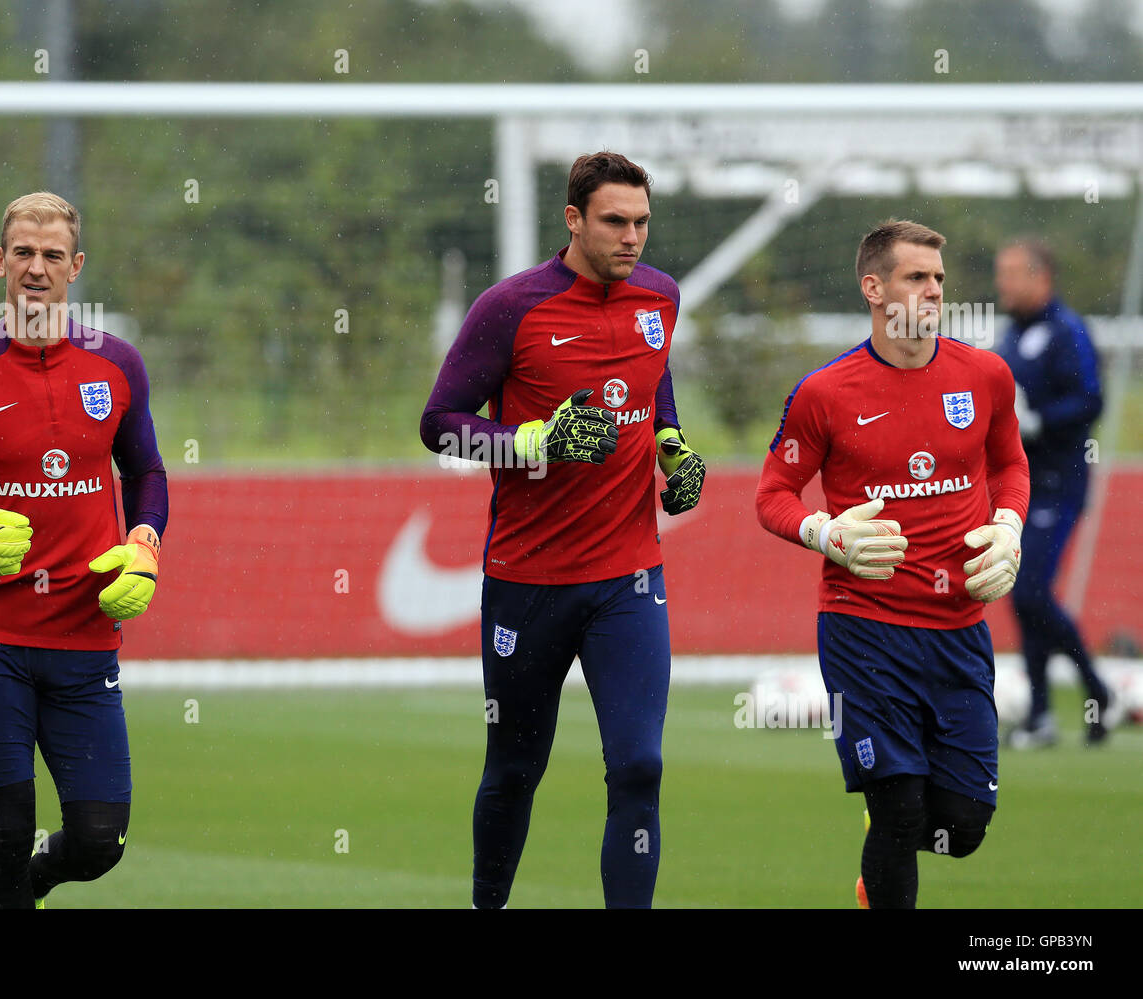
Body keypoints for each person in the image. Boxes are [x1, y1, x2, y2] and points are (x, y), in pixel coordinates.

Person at [419, 151, 705, 909]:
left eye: (642, 221)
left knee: (640, 764)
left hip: (629, 578)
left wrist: (673, 450)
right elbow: (440, 427)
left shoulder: (661, 298)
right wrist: (531, 441)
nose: (632, 237)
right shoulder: (511, 307)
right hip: (527, 582)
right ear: (573, 219)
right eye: (615, 221)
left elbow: (653, 384)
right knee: (514, 767)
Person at [0, 192, 168, 908]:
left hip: (84, 633)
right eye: (22, 253)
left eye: (51, 256)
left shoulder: (118, 367)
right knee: (7, 828)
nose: (36, 269)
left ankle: (36, 882)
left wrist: (144, 541)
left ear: (75, 266)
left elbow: (147, 474)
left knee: (100, 839)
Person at [755, 219, 1030, 909]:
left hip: (959, 627)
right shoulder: (824, 393)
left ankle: (885, 836)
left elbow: (1009, 464)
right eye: (916, 277)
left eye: (938, 279)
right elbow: (773, 496)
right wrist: (824, 532)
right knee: (900, 806)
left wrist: (1009, 525)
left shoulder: (985, 374)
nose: (933, 290)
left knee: (961, 827)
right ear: (873, 288)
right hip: (863, 629)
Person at [994, 239, 1110, 746]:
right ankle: (1043, 714)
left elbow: (1090, 399)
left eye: (1012, 274)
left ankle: (1093, 688)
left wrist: (1038, 422)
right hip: (1017, 485)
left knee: (1031, 592)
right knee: (1022, 597)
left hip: (1058, 484)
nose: (1003, 285)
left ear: (1040, 277)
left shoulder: (1067, 331)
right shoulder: (1011, 334)